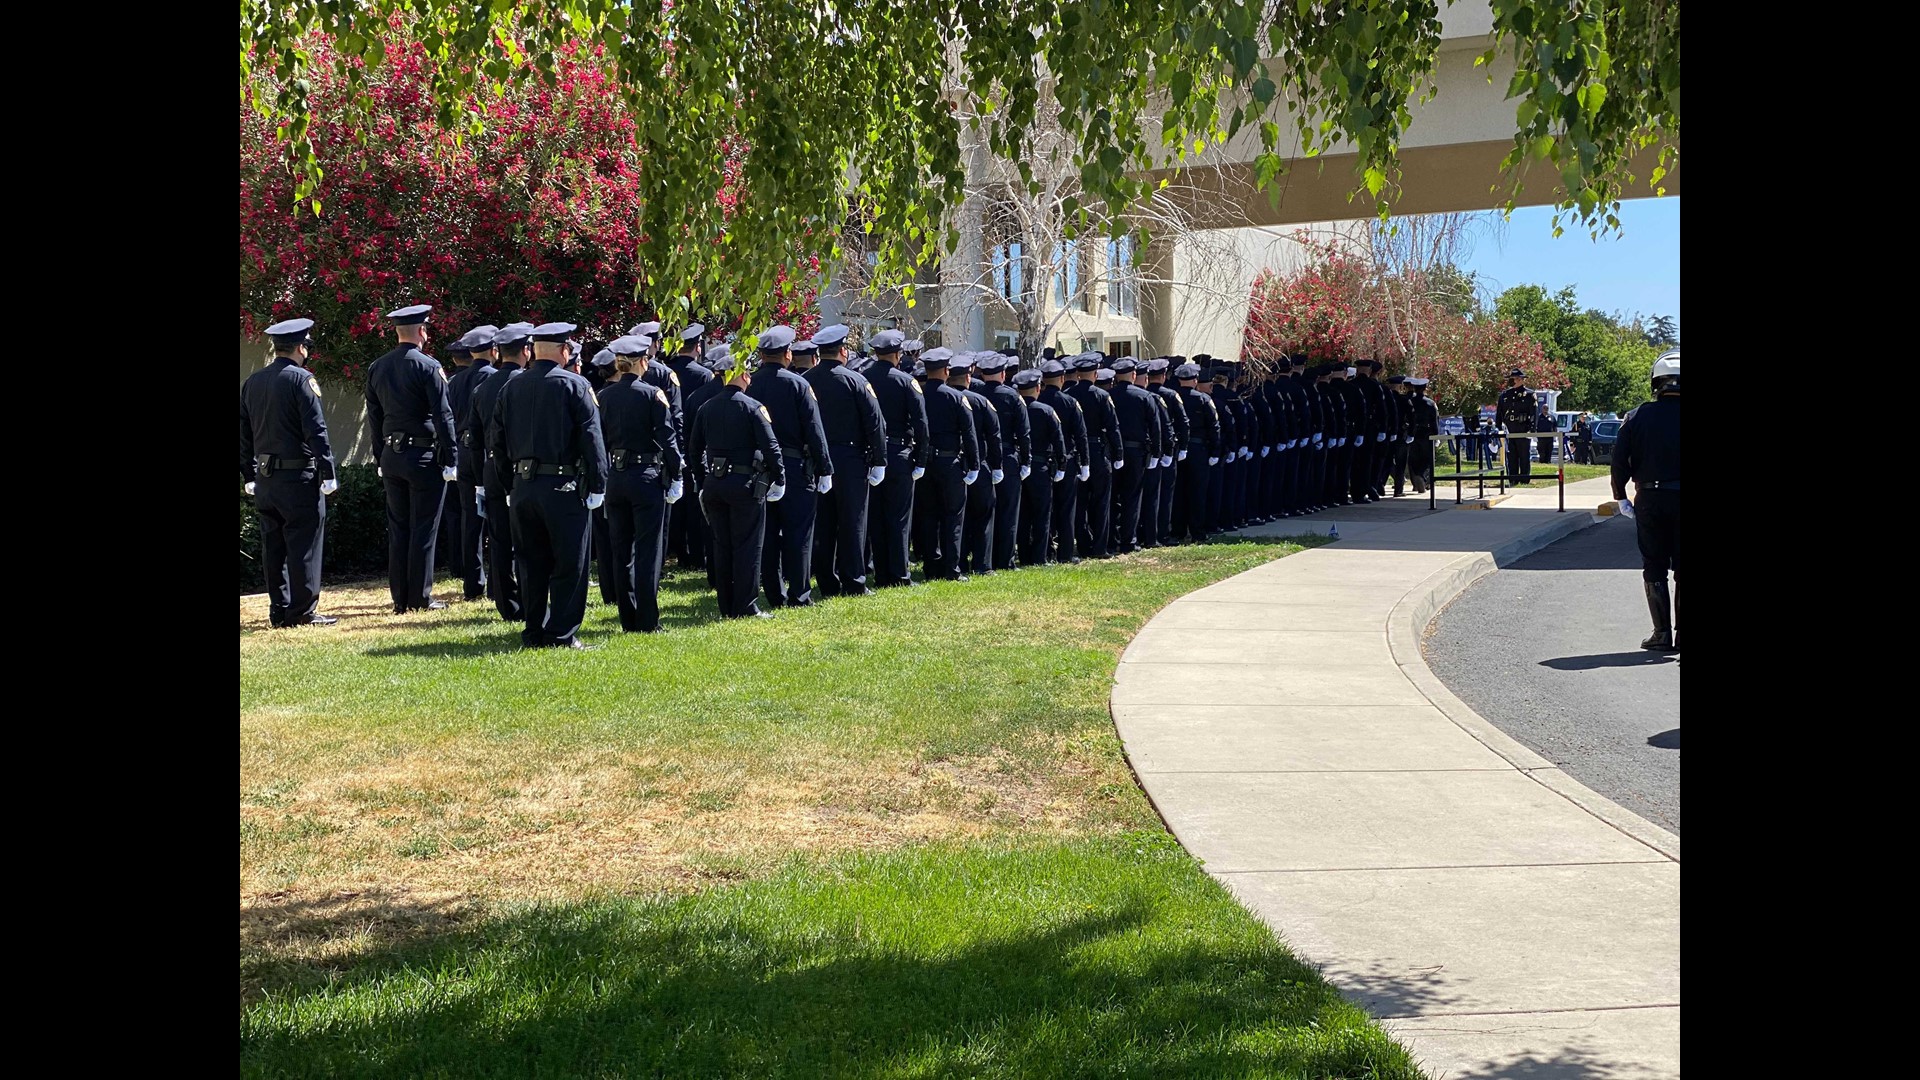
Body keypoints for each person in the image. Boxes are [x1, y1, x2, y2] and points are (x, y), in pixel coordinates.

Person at [489, 321, 609, 649]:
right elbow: (591, 437)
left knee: (530, 563)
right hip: (563, 486)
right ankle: (561, 634)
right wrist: (598, 484)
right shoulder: (575, 385)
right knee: (569, 562)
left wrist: (509, 484)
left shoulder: (509, 388)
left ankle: (534, 630)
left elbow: (496, 443)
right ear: (563, 350)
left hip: (523, 486)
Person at [242, 318, 340, 628]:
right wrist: (328, 471)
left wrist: (248, 475)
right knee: (304, 544)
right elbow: (316, 431)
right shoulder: (302, 380)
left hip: (267, 479)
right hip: (298, 478)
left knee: (275, 547)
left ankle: (279, 610)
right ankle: (302, 612)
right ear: (301, 348)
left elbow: (243, 435)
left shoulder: (252, 382)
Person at [364, 304, 458, 613]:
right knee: (424, 527)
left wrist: (381, 456)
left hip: (392, 455)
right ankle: (420, 597)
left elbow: (374, 419)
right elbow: (444, 417)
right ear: (421, 331)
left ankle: (400, 598)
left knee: (399, 527)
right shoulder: (428, 367)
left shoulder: (378, 367)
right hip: (423, 456)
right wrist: (451, 457)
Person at [689, 345, 783, 619]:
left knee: (722, 545)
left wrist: (701, 479)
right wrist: (780, 478)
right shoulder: (753, 407)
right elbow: (771, 447)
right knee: (748, 546)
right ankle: (746, 605)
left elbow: (694, 450)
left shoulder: (707, 407)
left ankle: (726, 604)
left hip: (715, 484)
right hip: (745, 483)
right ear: (740, 374)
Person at [598, 335, 683, 632]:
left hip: (616, 477)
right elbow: (668, 438)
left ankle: (628, 619)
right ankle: (647, 620)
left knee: (621, 551)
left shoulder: (604, 396)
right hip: (646, 475)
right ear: (642, 361)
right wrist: (677, 475)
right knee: (648, 550)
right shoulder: (652, 394)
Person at [746, 325, 833, 607]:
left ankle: (774, 593)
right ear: (788, 353)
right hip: (794, 465)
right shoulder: (798, 384)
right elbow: (814, 429)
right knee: (799, 532)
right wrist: (825, 468)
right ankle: (799, 593)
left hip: (759, 467)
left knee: (768, 533)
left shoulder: (751, 383)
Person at [803, 323, 887, 598]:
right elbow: (875, 423)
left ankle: (827, 581)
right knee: (853, 521)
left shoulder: (806, 380)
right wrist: (879, 459)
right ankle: (854, 581)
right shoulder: (856, 380)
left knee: (824, 523)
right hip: (851, 459)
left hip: (817, 458)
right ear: (843, 350)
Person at [1612, 351, 1680, 651]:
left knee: (1654, 565)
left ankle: (1662, 633)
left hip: (1650, 497)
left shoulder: (1636, 416)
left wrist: (1620, 495)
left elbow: (1619, 461)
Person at [917, 347, 982, 580]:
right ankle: (952, 568)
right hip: (950, 462)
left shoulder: (920, 394)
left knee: (928, 516)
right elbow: (969, 433)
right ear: (946, 370)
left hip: (925, 463)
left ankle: (931, 567)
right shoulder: (957, 397)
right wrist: (974, 464)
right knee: (953, 516)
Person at [448, 326, 500, 602]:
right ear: (493, 350)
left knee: (470, 518)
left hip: (463, 452)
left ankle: (473, 583)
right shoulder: (494, 379)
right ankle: (498, 581)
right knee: (497, 517)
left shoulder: (454, 381)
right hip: (486, 452)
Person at [666, 323, 716, 571]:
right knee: (695, 506)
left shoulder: (667, 371)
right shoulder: (703, 375)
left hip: (672, 444)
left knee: (676, 506)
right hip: (695, 444)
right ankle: (697, 556)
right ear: (697, 347)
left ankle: (679, 553)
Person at [977, 351, 1031, 570]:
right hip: (1007, 457)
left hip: (982, 457)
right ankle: (1005, 560)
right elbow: (1024, 433)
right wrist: (1026, 461)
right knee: (1008, 512)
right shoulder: (1012, 396)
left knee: (984, 512)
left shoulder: (975, 394)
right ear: (1002, 373)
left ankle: (984, 559)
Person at [948, 353, 1001, 575]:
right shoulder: (980, 401)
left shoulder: (943, 397)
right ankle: (982, 564)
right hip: (978, 464)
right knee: (983, 515)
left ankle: (958, 561)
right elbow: (994, 435)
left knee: (956, 518)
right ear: (969, 377)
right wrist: (997, 466)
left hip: (951, 463)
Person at [1067, 353, 1122, 557]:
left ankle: (1082, 545)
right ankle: (1100, 547)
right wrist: (1118, 453)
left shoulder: (1070, 394)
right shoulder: (1102, 396)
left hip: (1077, 452)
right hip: (1098, 452)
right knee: (1101, 502)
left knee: (1080, 503)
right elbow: (1112, 427)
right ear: (1096, 374)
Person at [1107, 358, 1163, 553]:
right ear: (1133, 375)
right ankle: (1128, 540)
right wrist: (1156, 452)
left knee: (1113, 496)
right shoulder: (1145, 396)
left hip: (1113, 451)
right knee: (1132, 496)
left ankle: (1111, 540)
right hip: (1137, 452)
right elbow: (1155, 428)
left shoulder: (1108, 395)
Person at [1014, 367, 1067, 566]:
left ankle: (1025, 556)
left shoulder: (1016, 408)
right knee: (1042, 514)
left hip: (1019, 466)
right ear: (1038, 388)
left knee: (1024, 514)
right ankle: (1040, 557)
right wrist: (1062, 463)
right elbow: (1059, 440)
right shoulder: (1046, 410)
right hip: (1040, 466)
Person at [1039, 358, 1089, 563]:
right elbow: (1081, 435)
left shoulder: (1038, 400)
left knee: (1046, 508)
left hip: (1043, 460)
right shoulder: (1069, 402)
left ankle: (1047, 551)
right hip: (1066, 459)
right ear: (1061, 378)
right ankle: (1066, 553)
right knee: (1067, 508)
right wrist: (1085, 462)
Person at [1173, 361, 1219, 540]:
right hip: (1198, 449)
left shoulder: (1173, 397)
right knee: (1198, 492)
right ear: (1196, 379)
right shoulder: (1203, 398)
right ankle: (1198, 532)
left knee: (1179, 492)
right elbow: (1214, 427)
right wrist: (1215, 451)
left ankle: (1178, 532)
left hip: (1178, 448)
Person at [1145, 358, 1189, 543]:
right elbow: (1182, 422)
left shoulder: (1145, 393)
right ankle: (1162, 533)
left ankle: (1147, 533)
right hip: (1165, 450)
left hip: (1149, 450)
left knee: (1149, 495)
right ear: (1164, 376)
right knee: (1165, 495)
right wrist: (1181, 448)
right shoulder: (1170, 395)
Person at [1497, 368, 1536, 485]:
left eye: (1518, 379)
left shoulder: (1529, 394)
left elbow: (1533, 413)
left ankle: (1524, 479)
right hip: (1510, 428)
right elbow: (1499, 412)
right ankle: (1513, 479)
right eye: (1513, 379)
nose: (1515, 381)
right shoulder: (1505, 395)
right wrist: (1498, 427)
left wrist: (1532, 429)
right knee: (1511, 455)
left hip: (1523, 428)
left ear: (1523, 380)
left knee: (1524, 455)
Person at [1406, 378, 1439, 493]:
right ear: (1425, 388)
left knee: (1413, 458)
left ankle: (1416, 481)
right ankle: (1422, 477)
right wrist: (1436, 436)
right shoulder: (1430, 403)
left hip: (1412, 433)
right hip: (1427, 433)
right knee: (1427, 459)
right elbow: (1434, 421)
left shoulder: (1409, 401)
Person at [1385, 374, 1413, 496]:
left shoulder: (1383, 399)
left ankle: (1380, 485)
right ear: (1400, 386)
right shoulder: (1404, 400)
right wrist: (1411, 434)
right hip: (1401, 434)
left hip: (1386, 433)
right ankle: (1398, 489)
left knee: (1386, 461)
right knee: (1400, 463)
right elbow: (1412, 418)